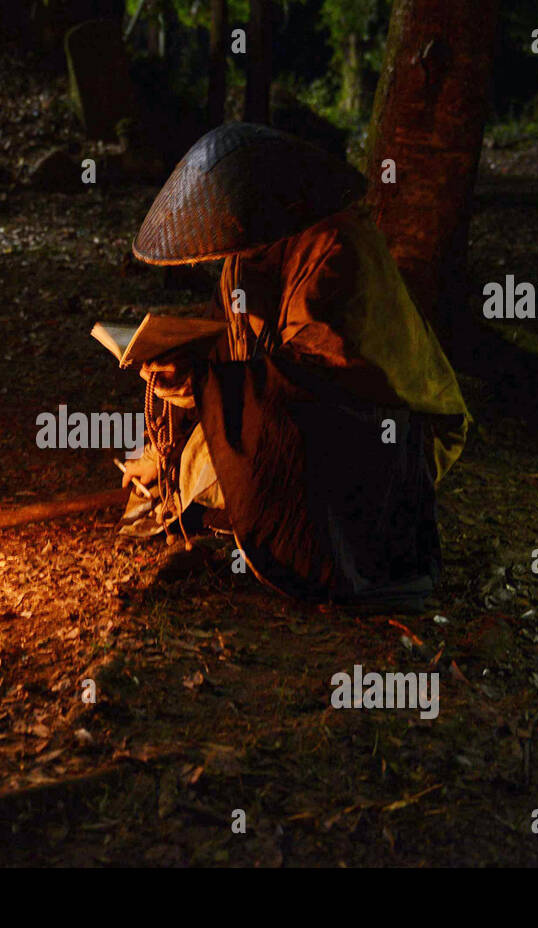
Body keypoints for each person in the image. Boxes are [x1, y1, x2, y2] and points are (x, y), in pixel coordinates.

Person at [119, 123, 470, 610]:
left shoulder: (338, 252)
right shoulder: (246, 259)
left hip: (385, 434)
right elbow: (244, 353)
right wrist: (187, 370)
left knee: (244, 449)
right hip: (297, 411)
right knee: (193, 457)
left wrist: (206, 383)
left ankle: (294, 536)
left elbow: (326, 384)